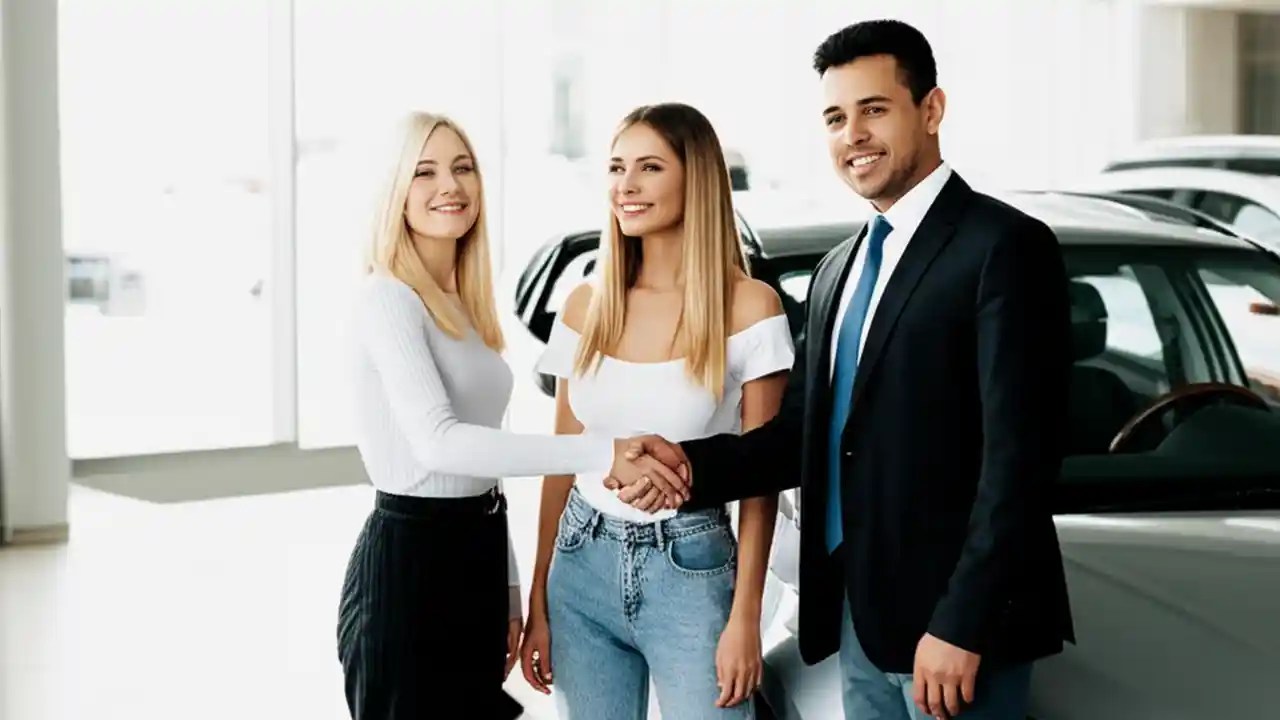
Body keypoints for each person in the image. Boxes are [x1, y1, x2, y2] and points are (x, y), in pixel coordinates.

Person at [613, 20, 1075, 720]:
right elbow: (800, 435)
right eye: (836, 117)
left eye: (874, 110)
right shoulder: (838, 269)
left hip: (954, 634)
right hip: (859, 618)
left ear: (932, 109)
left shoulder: (1003, 247)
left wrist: (961, 622)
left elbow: (1019, 464)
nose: (853, 133)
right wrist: (686, 464)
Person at [335, 110, 688, 720]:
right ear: (396, 191)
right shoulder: (386, 297)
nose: (450, 185)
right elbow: (442, 445)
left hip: (474, 551)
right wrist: (601, 451)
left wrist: (509, 584)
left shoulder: (460, 307)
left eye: (462, 167)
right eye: (425, 172)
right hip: (410, 567)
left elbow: (485, 458)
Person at [517, 103, 794, 719]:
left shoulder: (750, 307)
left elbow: (763, 478)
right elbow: (560, 463)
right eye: (617, 167)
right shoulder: (585, 305)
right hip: (580, 565)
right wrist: (539, 595)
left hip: (691, 573)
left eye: (648, 167)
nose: (626, 185)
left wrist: (744, 617)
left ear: (694, 178)